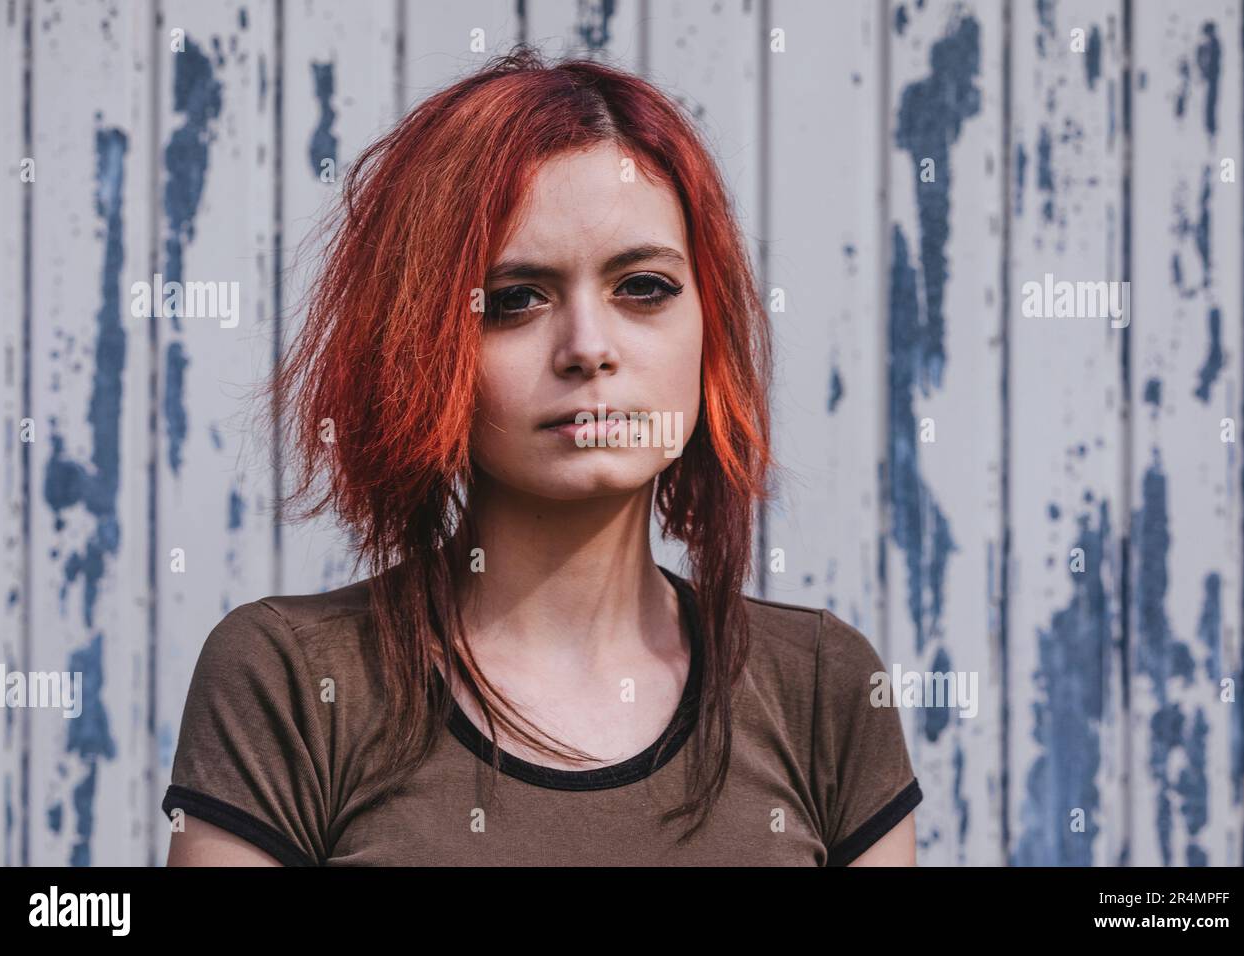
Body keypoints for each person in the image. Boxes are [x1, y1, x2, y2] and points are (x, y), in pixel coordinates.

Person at [161, 46, 921, 866]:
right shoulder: (292, 680)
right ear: (420, 344)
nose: (588, 348)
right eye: (516, 299)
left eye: (644, 287)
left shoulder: (824, 687)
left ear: (710, 324)